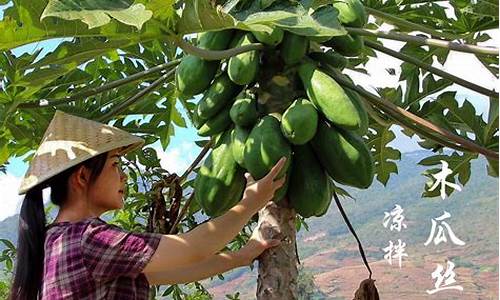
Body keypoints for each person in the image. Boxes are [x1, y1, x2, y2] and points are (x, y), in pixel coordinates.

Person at [9, 110, 287, 300]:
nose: (123, 175)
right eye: (115, 165)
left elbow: (176, 270)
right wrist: (251, 203)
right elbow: (192, 249)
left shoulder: (54, 239)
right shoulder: (89, 240)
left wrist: (243, 254)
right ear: (82, 177)